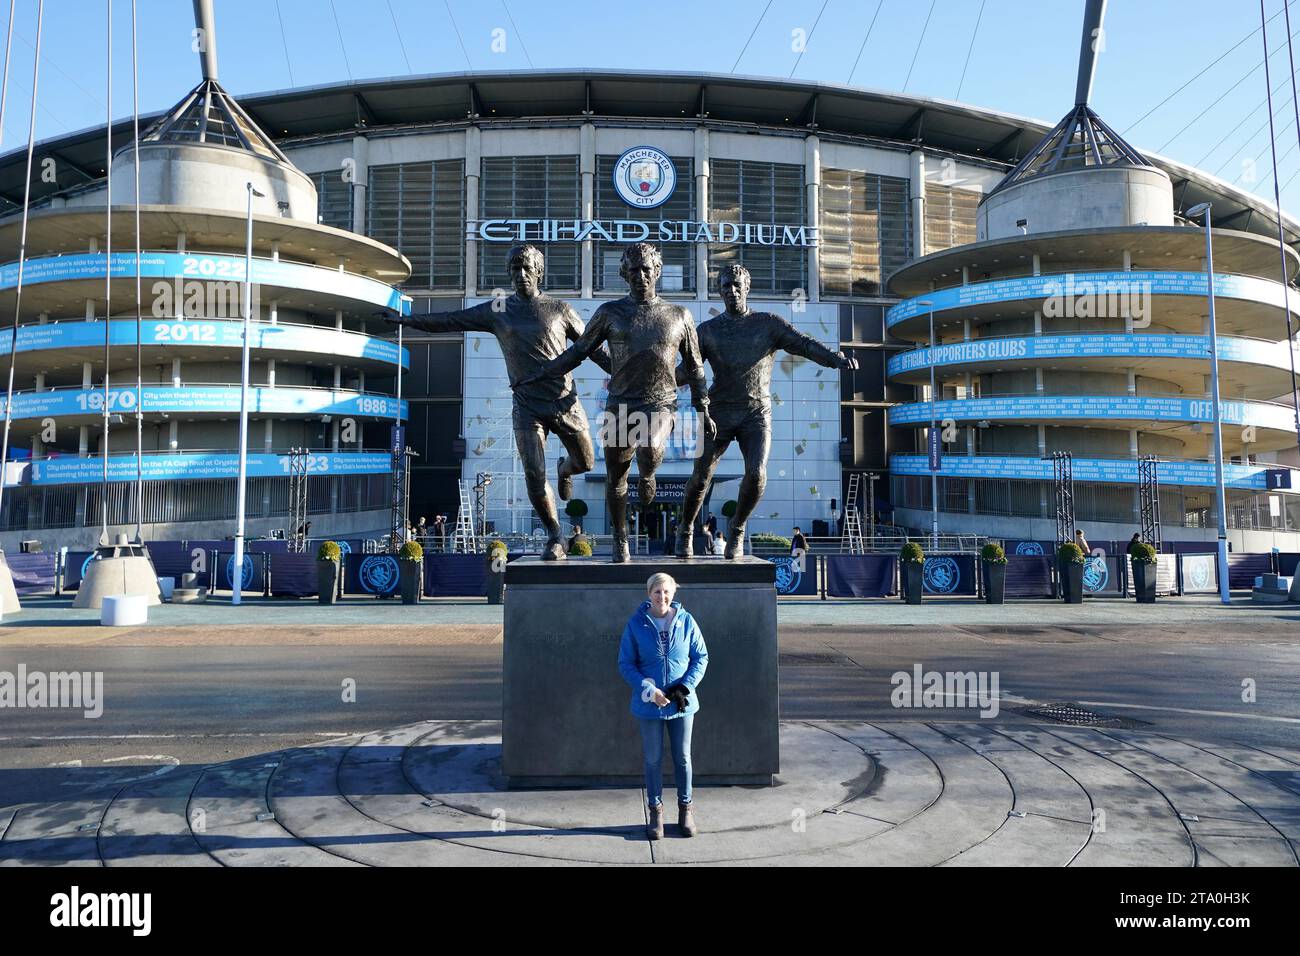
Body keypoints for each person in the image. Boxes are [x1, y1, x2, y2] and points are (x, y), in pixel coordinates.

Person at [388, 243, 612, 561]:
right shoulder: (497, 311)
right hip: (527, 407)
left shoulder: (561, 309)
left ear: (539, 271)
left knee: (586, 463)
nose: (520, 274)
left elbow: (593, 348)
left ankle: (565, 468)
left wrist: (625, 374)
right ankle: (555, 536)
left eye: (526, 268)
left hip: (565, 403)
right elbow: (451, 320)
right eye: (514, 269)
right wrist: (406, 321)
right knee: (533, 475)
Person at [523, 243, 715, 563]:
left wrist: (703, 405)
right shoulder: (610, 312)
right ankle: (621, 538)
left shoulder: (679, 315)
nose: (640, 275)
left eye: (646, 269)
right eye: (633, 270)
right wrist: (547, 371)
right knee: (617, 477)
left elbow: (695, 366)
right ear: (624, 273)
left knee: (651, 449)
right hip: (620, 404)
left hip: (661, 401)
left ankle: (650, 474)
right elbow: (579, 350)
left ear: (657, 271)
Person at [675, 262, 858, 559]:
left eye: (737, 286)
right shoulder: (707, 331)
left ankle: (737, 528)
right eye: (725, 287)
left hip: (756, 413)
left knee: (757, 474)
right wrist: (655, 380)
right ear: (719, 292)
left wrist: (833, 358)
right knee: (700, 478)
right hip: (718, 412)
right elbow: (687, 371)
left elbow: (803, 344)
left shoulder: (768, 323)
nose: (732, 292)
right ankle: (685, 529)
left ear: (747, 288)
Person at [618, 572, 708, 840]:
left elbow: (700, 657)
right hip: (650, 707)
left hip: (682, 704)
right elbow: (625, 664)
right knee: (653, 759)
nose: (662, 597)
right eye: (657, 592)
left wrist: (685, 687)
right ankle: (655, 811)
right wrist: (649, 690)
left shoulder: (687, 621)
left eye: (667, 592)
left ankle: (686, 809)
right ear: (649, 594)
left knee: (682, 758)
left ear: (674, 593)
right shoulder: (636, 624)